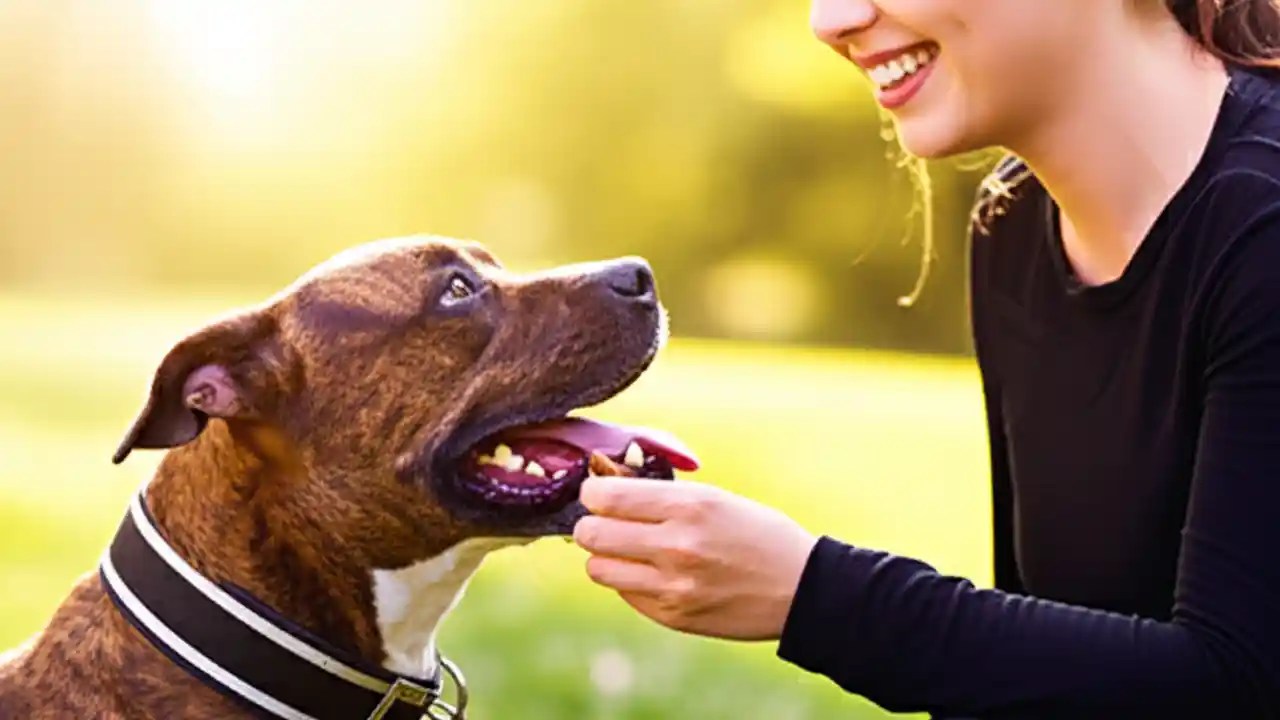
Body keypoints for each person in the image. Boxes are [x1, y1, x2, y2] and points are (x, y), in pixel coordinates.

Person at [570, 1, 1280, 717]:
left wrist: (813, 595)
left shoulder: (1265, 227)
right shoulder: (1015, 228)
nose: (831, 20)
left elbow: (1232, 685)